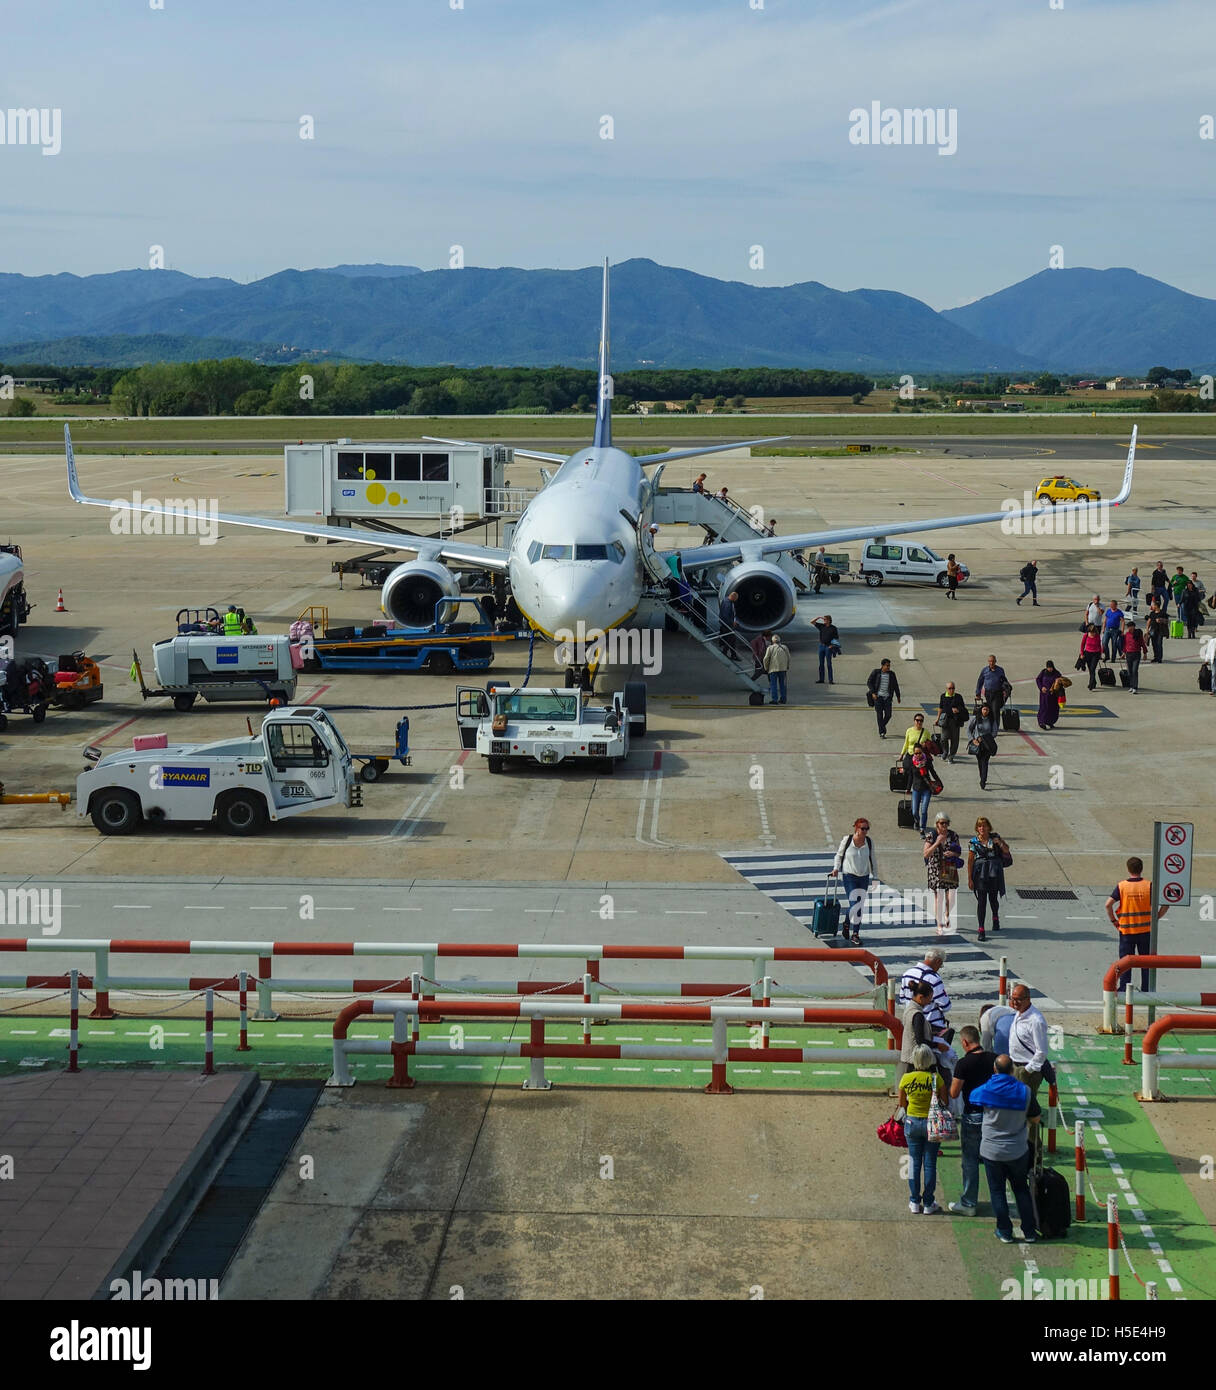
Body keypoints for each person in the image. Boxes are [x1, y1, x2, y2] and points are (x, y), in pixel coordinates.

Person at [970, 1054, 1041, 1243]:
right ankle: (1029, 1231)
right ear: (1012, 1070)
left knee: (997, 1191)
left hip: (991, 1150)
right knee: (1021, 1189)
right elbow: (1035, 1117)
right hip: (1018, 1150)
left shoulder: (987, 1090)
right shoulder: (1024, 1091)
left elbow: (972, 1097)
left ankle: (1004, 1230)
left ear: (995, 1069)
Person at [948, 1025, 996, 1215]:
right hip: (993, 1116)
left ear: (965, 1042)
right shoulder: (994, 1059)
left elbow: (954, 1093)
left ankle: (969, 1203)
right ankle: (999, 1201)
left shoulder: (963, 1064)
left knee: (970, 1161)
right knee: (994, 1161)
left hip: (972, 1116)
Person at [898, 1044, 949, 1215]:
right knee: (930, 1163)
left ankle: (914, 1201)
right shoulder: (935, 1078)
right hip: (931, 1123)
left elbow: (902, 1104)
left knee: (914, 1163)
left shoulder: (906, 1078)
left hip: (912, 1122)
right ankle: (928, 1202)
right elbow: (945, 1102)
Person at [1106, 855, 1168, 994]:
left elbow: (1108, 904)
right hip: (1146, 931)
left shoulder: (1122, 886)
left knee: (1125, 963)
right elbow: (1166, 903)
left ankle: (1124, 989)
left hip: (1127, 932)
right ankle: (1147, 989)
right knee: (1146, 962)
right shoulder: (1149, 885)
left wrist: (1114, 921)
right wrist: (1156, 917)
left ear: (1128, 869)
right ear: (1142, 869)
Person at [830, 817, 875, 944]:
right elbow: (838, 856)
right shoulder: (847, 840)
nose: (865, 831)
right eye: (863, 828)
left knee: (859, 906)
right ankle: (847, 923)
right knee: (854, 904)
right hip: (849, 876)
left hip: (864, 877)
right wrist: (836, 868)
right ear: (856, 828)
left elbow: (873, 860)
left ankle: (855, 933)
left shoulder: (869, 842)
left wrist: (875, 877)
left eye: (867, 829)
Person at [898, 979, 950, 1088]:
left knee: (911, 1090)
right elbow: (920, 1040)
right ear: (921, 998)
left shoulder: (909, 1010)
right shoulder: (917, 1015)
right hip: (918, 1060)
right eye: (929, 999)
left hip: (909, 1058)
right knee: (932, 1085)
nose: (929, 1002)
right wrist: (937, 1045)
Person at [968, 815, 1008, 942]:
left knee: (993, 899)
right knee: (981, 902)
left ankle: (995, 917)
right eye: (979, 826)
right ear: (977, 828)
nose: (982, 828)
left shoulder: (995, 838)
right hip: (980, 875)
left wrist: (999, 843)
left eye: (984, 826)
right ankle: (981, 929)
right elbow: (970, 861)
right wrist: (970, 879)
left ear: (989, 827)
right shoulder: (973, 842)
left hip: (993, 873)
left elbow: (1006, 850)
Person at [1007, 982, 1051, 1098]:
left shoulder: (1036, 1020)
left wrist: (1027, 1070)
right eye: (1013, 998)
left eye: (1018, 999)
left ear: (1028, 999)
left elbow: (1042, 1052)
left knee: (1027, 1103)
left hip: (1027, 1070)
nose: (1015, 1002)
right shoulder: (1019, 1012)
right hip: (1015, 1066)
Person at [923, 814, 962, 935]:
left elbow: (959, 852)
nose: (945, 825)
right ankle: (939, 924)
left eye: (946, 823)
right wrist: (937, 843)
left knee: (952, 897)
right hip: (936, 869)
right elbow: (926, 854)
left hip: (950, 868)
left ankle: (947, 914)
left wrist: (953, 854)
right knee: (939, 897)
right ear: (937, 824)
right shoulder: (931, 836)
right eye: (942, 823)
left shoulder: (953, 835)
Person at [966, 702, 998, 791]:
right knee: (980, 762)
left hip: (987, 745)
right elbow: (968, 730)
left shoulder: (992, 720)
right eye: (984, 709)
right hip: (978, 744)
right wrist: (972, 740)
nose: (985, 711)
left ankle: (983, 780)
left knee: (985, 762)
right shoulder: (975, 719)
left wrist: (984, 738)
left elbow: (994, 732)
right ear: (981, 710)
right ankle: (982, 776)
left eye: (987, 710)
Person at [867, 658, 901, 738]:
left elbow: (895, 685)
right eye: (887, 665)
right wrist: (873, 693)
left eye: (889, 666)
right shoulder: (876, 672)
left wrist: (898, 696)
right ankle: (882, 732)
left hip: (887, 698)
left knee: (888, 715)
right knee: (879, 715)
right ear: (882, 666)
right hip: (878, 698)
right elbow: (869, 682)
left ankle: (881, 726)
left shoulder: (892, 674)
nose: (888, 667)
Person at [936, 681, 968, 761]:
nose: (951, 690)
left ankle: (951, 756)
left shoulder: (958, 697)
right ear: (946, 689)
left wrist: (958, 710)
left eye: (953, 688)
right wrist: (938, 719)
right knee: (943, 738)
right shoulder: (943, 696)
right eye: (949, 688)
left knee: (955, 740)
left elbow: (963, 708)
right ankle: (945, 752)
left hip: (955, 721)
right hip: (945, 721)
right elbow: (940, 708)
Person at [908, 749, 936, 834]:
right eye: (916, 753)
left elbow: (933, 772)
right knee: (914, 812)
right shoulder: (912, 763)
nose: (918, 755)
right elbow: (910, 776)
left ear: (922, 752)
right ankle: (917, 821)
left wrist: (939, 783)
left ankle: (922, 828)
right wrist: (908, 788)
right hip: (916, 789)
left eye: (919, 753)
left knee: (924, 811)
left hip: (926, 789)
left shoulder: (927, 762)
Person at [975, 655, 1009, 720]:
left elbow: (1004, 681)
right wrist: (978, 693)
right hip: (988, 693)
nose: (991, 663)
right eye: (990, 661)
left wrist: (1006, 689)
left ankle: (996, 724)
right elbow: (980, 682)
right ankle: (991, 723)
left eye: (993, 661)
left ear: (995, 661)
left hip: (997, 693)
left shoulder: (1000, 670)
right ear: (988, 662)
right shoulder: (984, 670)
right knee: (990, 709)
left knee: (995, 709)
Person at [1034, 660, 1066, 730]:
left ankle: (1050, 722)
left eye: (1051, 667)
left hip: (1053, 695)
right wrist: (1041, 687)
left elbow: (1061, 681)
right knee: (1044, 708)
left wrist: (1059, 681)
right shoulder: (1043, 672)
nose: (1050, 669)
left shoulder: (1056, 673)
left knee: (1053, 709)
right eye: (1048, 667)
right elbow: (1038, 680)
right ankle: (1041, 722)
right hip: (1044, 695)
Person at [762, 631, 789, 705]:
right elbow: (788, 657)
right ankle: (783, 699)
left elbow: (766, 659)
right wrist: (787, 666)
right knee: (783, 685)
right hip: (783, 669)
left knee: (773, 685)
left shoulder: (770, 648)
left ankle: (775, 700)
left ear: (772, 641)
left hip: (773, 669)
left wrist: (766, 667)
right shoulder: (785, 647)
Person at [811, 615, 839, 684]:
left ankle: (830, 680)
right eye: (823, 619)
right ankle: (821, 679)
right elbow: (812, 622)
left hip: (828, 647)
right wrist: (818, 617)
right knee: (821, 664)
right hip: (821, 646)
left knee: (829, 664)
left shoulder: (833, 628)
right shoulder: (821, 626)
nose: (824, 620)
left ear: (829, 620)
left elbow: (836, 638)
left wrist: (832, 646)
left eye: (825, 619)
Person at [1122, 621, 1146, 693]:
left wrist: (1145, 653)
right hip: (1128, 654)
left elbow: (1142, 643)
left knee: (1134, 670)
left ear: (1133, 627)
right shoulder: (1127, 634)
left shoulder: (1138, 633)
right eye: (1128, 627)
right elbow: (1125, 644)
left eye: (1130, 627)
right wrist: (1124, 653)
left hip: (1136, 654)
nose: (1128, 628)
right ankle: (1131, 686)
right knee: (1129, 671)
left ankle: (1135, 687)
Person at [1079, 623, 1102, 689]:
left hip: (1095, 654)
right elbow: (1082, 644)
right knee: (1090, 669)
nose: (1092, 634)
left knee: (1092, 669)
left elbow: (1099, 645)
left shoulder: (1097, 636)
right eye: (1091, 633)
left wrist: (1100, 653)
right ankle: (1094, 682)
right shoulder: (1086, 635)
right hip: (1087, 654)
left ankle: (1091, 684)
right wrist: (1082, 654)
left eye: (1093, 632)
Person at [717, 590, 739, 657]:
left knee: (732, 639)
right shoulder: (728, 604)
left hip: (725, 624)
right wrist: (732, 623)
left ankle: (733, 655)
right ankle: (725, 652)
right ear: (733, 597)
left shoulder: (726, 600)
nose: (736, 601)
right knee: (731, 639)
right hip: (727, 624)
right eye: (736, 599)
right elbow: (725, 616)